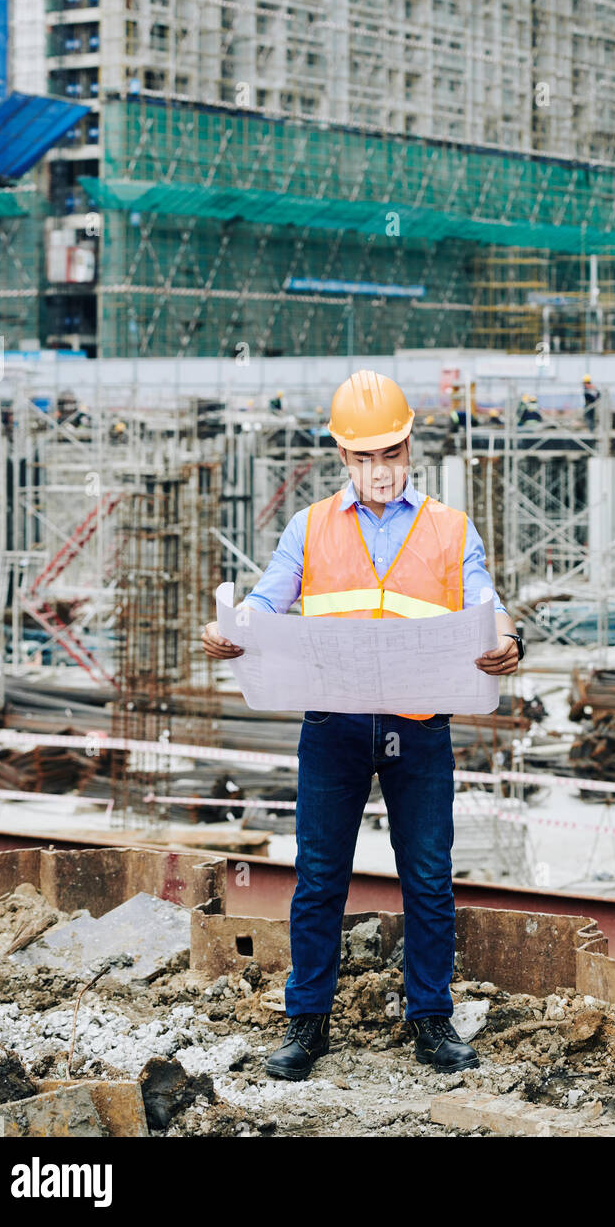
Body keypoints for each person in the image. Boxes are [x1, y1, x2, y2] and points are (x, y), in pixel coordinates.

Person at [201, 369, 521, 1079]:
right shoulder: (309, 527)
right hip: (334, 728)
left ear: (410, 445)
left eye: (392, 453)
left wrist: (506, 641)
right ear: (342, 457)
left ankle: (431, 1021)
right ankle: (306, 1026)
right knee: (319, 879)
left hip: (419, 728)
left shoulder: (448, 527)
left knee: (430, 879)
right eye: (365, 456)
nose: (380, 469)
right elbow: (266, 598)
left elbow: (484, 601)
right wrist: (230, 630)